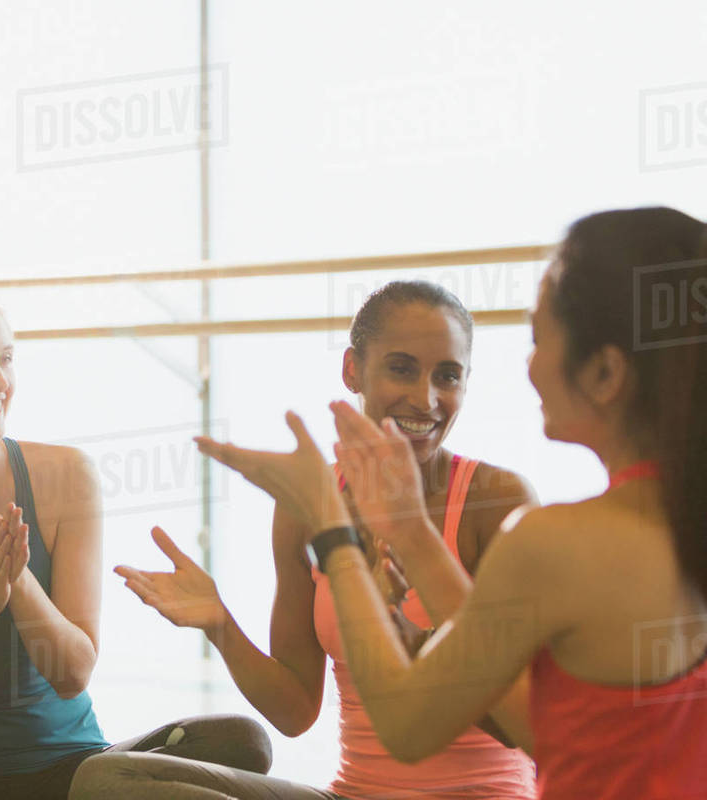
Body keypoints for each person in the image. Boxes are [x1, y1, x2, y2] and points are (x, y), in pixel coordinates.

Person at [159, 207, 707, 800]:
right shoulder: (673, 520)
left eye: (539, 339)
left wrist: (334, 537)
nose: (528, 366)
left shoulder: (554, 536)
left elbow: (406, 726)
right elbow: (541, 722)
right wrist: (409, 562)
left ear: (603, 372)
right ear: (354, 370)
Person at [81, 281, 537, 799]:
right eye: (402, 368)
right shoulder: (310, 502)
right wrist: (220, 623)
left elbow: (530, 720)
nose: (426, 398)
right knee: (108, 779)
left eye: (448, 376)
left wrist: (415, 640)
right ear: (352, 370)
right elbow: (296, 710)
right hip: (353, 793)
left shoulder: (496, 499)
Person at [0, 274, 272, 800]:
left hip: (71, 771)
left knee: (240, 741)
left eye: (6, 358)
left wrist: (19, 581)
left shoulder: (66, 476)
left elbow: (73, 674)